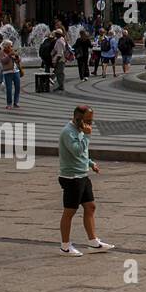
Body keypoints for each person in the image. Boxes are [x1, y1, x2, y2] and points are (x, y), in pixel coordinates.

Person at [58, 106, 114, 256]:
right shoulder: (68, 132)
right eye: (88, 120)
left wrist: (90, 163)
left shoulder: (80, 130)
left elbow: (82, 153)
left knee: (90, 206)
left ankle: (93, 242)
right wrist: (87, 136)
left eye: (91, 120)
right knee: (70, 211)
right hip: (72, 177)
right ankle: (65, 246)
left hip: (82, 175)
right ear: (78, 118)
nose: (90, 124)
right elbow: (76, 151)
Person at [0, 40, 23, 111]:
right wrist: (9, 55)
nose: (11, 47)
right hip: (7, 72)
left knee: (18, 87)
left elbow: (18, 60)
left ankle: (16, 102)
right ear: (6, 47)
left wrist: (17, 57)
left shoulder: (13, 52)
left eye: (12, 46)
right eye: (10, 46)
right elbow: (3, 61)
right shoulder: (1, 52)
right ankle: (9, 103)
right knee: (9, 89)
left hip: (16, 71)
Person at [51, 28, 68, 93]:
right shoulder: (62, 40)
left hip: (60, 60)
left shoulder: (59, 41)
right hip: (62, 59)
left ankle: (61, 86)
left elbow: (60, 53)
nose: (55, 34)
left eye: (56, 33)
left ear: (58, 34)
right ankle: (60, 86)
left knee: (59, 73)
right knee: (59, 73)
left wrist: (56, 61)